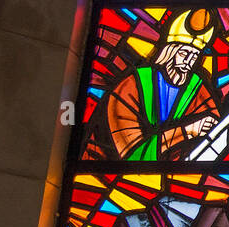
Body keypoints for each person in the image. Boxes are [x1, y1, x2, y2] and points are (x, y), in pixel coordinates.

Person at [95, 10, 221, 161]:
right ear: (169, 52)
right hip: (117, 171)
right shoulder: (135, 83)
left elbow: (214, 119)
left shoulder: (195, 85)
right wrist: (186, 131)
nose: (188, 62)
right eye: (183, 54)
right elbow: (131, 153)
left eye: (194, 56)